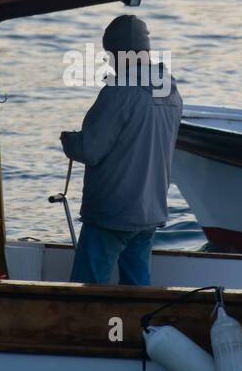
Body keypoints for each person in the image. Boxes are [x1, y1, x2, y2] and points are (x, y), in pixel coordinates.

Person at [61, 15, 182, 286]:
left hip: (113, 212)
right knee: (138, 289)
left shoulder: (119, 91)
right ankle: (138, 328)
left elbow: (90, 150)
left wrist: (69, 141)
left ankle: (87, 329)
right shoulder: (171, 91)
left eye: (110, 54)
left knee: (86, 290)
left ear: (119, 53)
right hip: (150, 211)